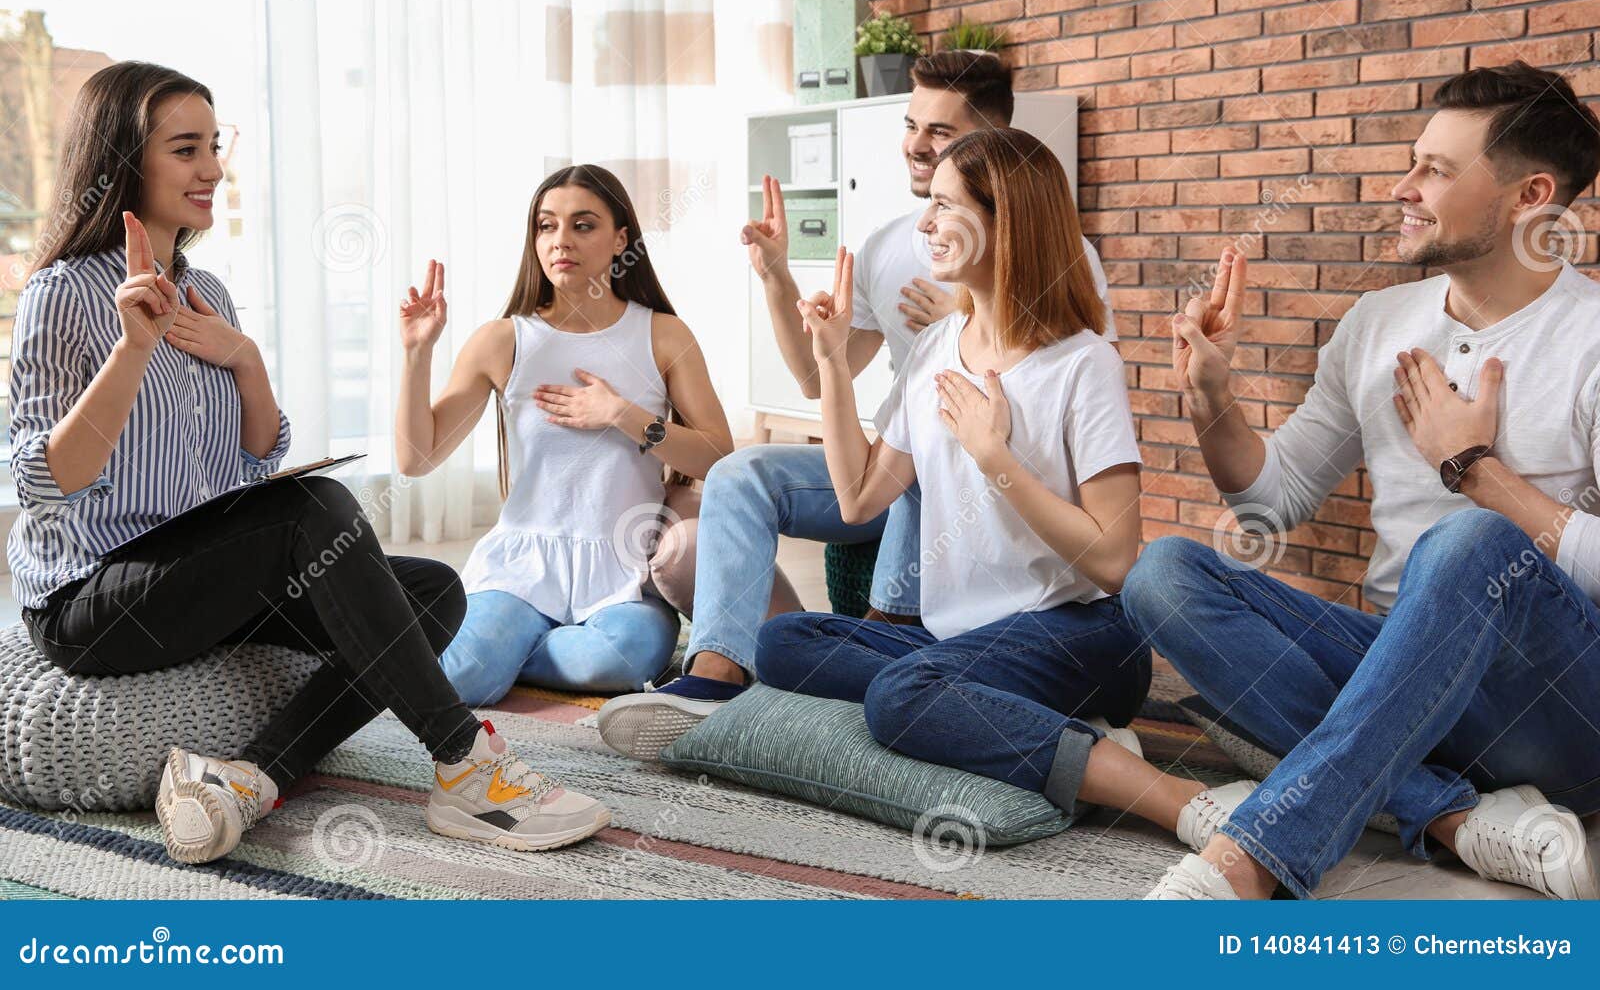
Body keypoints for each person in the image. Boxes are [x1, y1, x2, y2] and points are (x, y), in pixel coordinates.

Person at [11, 61, 609, 864]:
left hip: (191, 576)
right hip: (91, 598)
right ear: (122, 159)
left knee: (433, 590)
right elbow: (45, 481)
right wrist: (133, 350)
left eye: (214, 146)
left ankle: (253, 776)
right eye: (186, 150)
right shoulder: (61, 291)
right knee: (316, 508)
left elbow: (257, 455)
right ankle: (464, 762)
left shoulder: (206, 290)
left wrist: (246, 357)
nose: (213, 169)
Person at [1129, 61, 1600, 900]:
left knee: (1471, 540)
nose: (1402, 187)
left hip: (1554, 709)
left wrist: (1478, 474)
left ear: (1530, 196)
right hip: (1398, 672)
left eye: (1436, 170)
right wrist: (1211, 399)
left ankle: (1247, 863)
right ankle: (1450, 814)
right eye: (1413, 162)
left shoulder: (1590, 337)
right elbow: (1270, 501)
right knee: (1160, 575)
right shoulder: (1377, 323)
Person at [598, 52, 1112, 759]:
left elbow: (1066, 383)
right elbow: (819, 389)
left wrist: (970, 320)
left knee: (929, 466)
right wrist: (781, 283)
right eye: (911, 125)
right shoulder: (893, 250)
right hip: (899, 459)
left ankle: (899, 655)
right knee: (750, 499)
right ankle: (718, 674)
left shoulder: (1066, 283)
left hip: (974, 488)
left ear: (993, 147)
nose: (916, 146)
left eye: (940, 131)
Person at [750, 127, 1240, 841]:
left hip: (1083, 633)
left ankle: (1178, 798)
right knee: (783, 642)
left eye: (945, 205)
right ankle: (1024, 717)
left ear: (1004, 221)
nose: (925, 223)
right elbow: (858, 497)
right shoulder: (933, 347)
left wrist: (994, 456)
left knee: (900, 696)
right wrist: (830, 365)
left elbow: (1113, 560)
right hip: (958, 637)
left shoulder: (1084, 363)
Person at [403, 165, 736, 701]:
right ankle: (501, 647)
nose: (561, 240)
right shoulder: (502, 340)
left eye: (583, 225)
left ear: (621, 240)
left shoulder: (664, 335)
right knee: (463, 680)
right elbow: (416, 459)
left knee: (617, 661)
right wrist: (417, 355)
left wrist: (621, 414)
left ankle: (507, 651)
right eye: (546, 225)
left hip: (623, 569)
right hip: (522, 565)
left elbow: (719, 458)